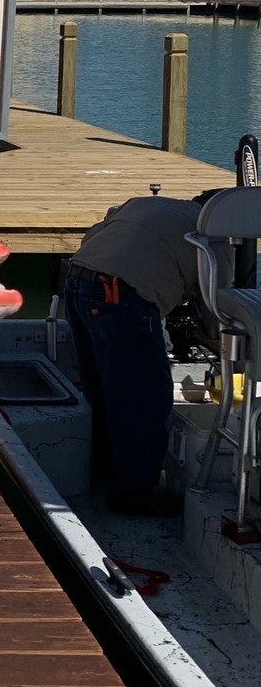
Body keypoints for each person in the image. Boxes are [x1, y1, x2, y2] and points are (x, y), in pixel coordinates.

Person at [64, 191, 230, 517]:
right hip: (121, 296)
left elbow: (95, 233)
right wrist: (217, 342)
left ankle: (101, 473)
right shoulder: (215, 237)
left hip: (77, 278)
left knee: (102, 391)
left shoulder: (146, 203)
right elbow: (217, 306)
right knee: (146, 399)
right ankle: (133, 494)